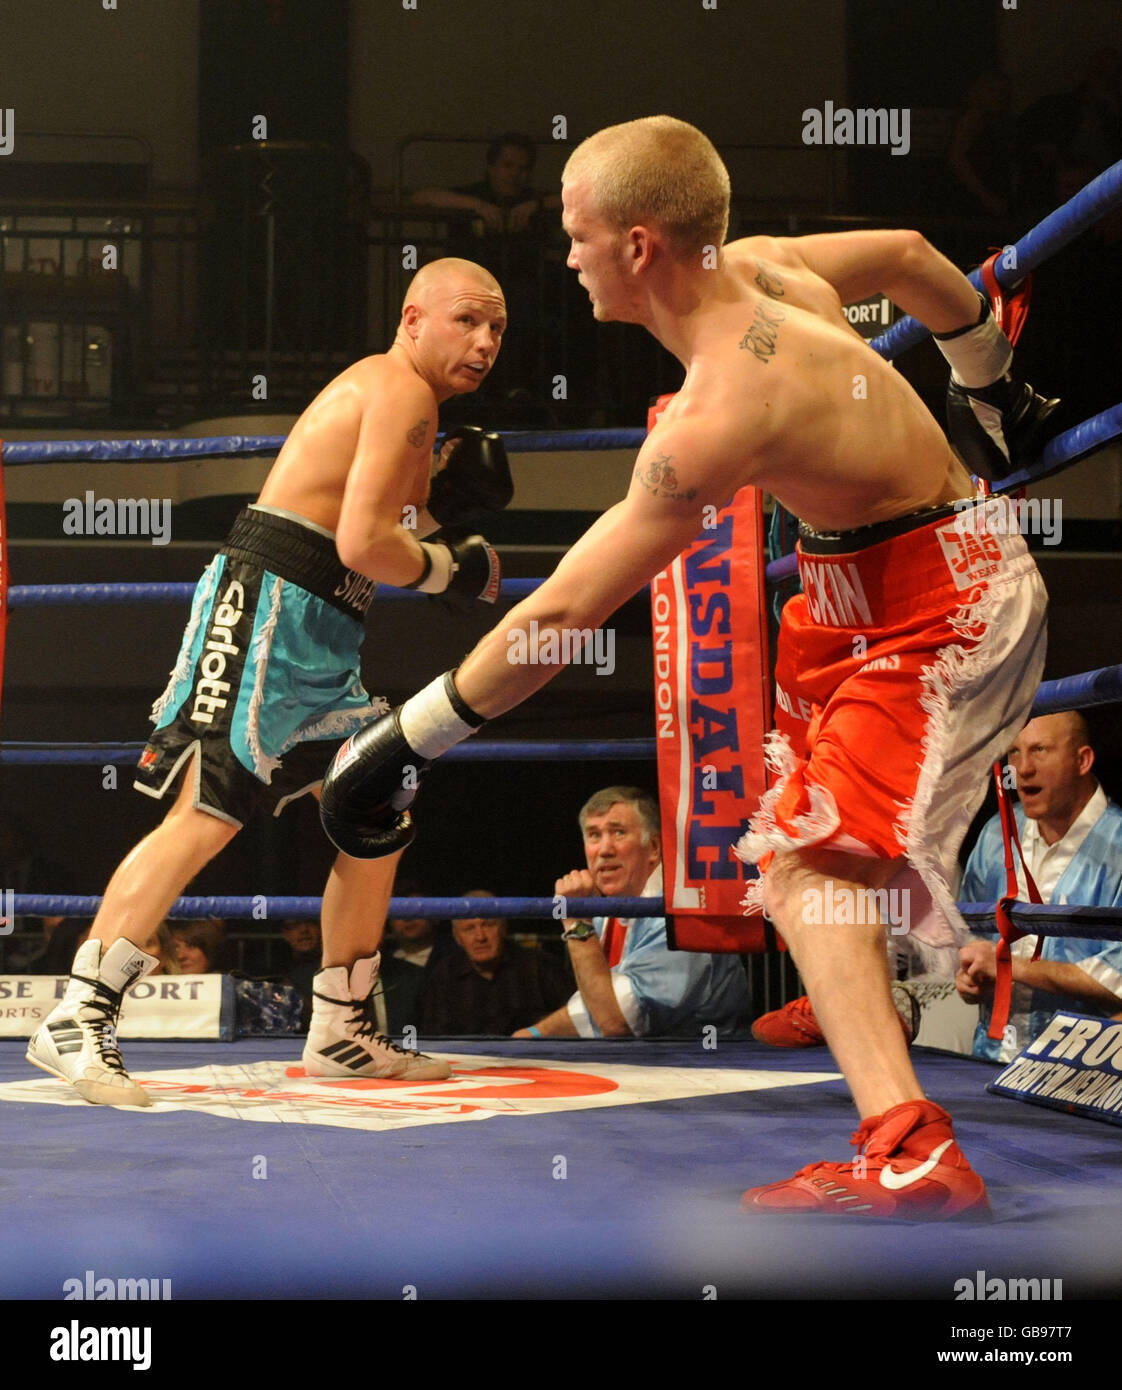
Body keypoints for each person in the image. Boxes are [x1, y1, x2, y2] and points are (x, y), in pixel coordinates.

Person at [321, 116, 1059, 1218]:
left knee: (814, 864)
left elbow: (567, 608)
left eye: (577, 236)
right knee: (804, 853)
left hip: (942, 607)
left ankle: (909, 1151)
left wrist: (402, 736)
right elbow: (912, 255)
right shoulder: (763, 267)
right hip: (856, 604)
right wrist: (990, 379)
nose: (563, 257)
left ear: (638, 246)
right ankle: (880, 1061)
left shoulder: (717, 412)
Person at [26, 257, 512, 1106]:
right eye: (467, 320)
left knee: (376, 800)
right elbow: (367, 544)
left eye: (498, 328)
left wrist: (436, 516)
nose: (484, 341)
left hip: (322, 622)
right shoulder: (399, 390)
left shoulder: (407, 406)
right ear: (411, 319)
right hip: (269, 612)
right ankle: (78, 1012)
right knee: (209, 810)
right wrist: (451, 568)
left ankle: (342, 1029)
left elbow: (364, 530)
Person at [512, 787, 748, 1038]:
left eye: (618, 832)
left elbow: (616, 1023)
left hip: (710, 1065)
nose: (604, 849)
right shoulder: (608, 910)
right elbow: (595, 1003)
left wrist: (577, 924)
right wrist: (534, 1034)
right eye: (594, 835)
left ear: (655, 847)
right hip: (656, 1064)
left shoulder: (681, 915)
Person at [956, 710, 1122, 1061]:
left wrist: (1009, 965)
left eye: (1040, 750)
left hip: (1084, 1077)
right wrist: (971, 976)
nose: (1023, 768)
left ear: (1082, 760)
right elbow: (970, 938)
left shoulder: (1119, 846)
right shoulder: (995, 835)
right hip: (990, 1061)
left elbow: (1118, 977)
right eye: (1014, 752)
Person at [422, 891, 570, 1036]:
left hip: (534, 1057)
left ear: (504, 928)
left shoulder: (539, 966)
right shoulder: (445, 974)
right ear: (457, 937)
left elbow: (576, 1019)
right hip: (467, 1059)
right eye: (469, 928)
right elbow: (435, 1036)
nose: (480, 937)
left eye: (488, 925)